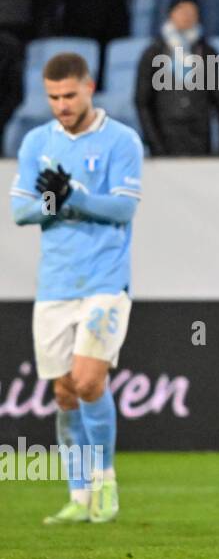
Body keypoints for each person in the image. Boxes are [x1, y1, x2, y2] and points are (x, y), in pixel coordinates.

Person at [9, 52, 143, 525]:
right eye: (53, 97)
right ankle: (79, 495)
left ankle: (106, 482)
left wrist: (77, 197)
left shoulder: (121, 140)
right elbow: (21, 212)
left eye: (69, 95)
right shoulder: (36, 142)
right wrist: (52, 199)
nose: (62, 105)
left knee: (89, 380)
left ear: (89, 87)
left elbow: (123, 209)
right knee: (65, 393)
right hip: (55, 284)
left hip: (105, 280)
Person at [134, 0, 219, 156]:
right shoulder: (153, 53)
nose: (187, 16)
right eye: (182, 10)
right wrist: (154, 143)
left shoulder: (208, 53)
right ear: (171, 13)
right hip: (164, 137)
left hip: (200, 139)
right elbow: (142, 102)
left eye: (192, 12)